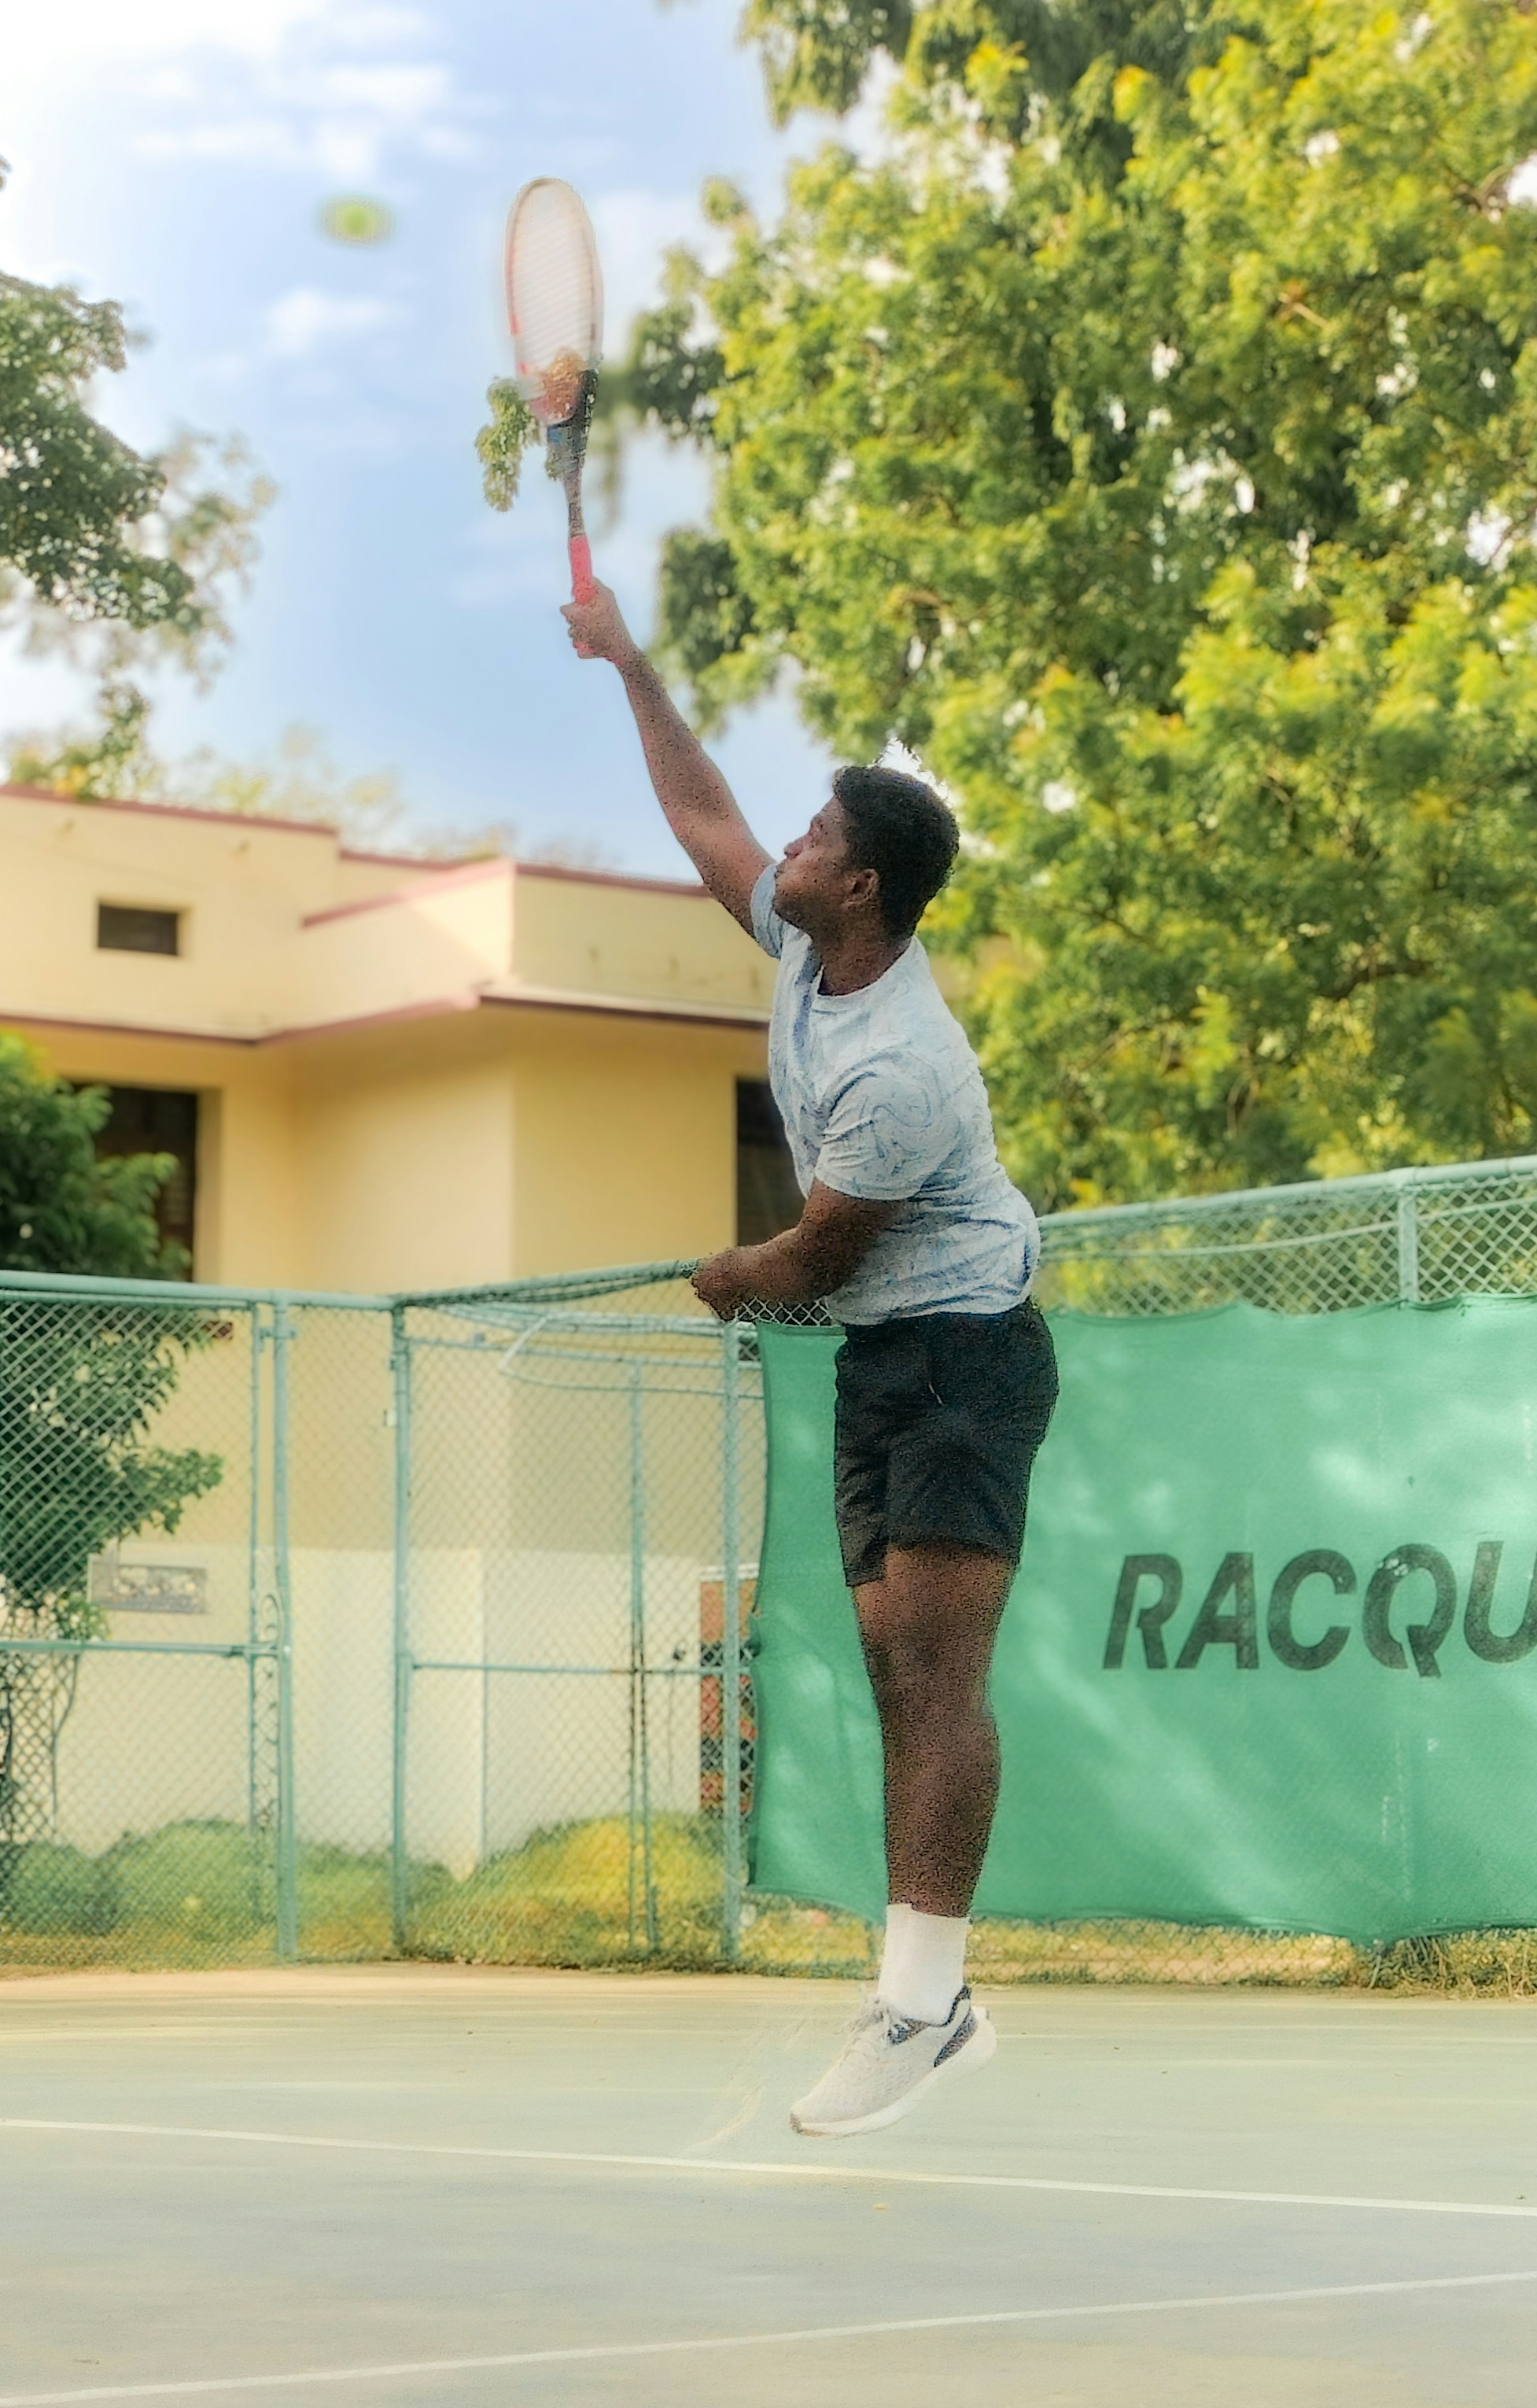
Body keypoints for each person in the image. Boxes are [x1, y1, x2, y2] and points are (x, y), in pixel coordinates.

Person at [563, 580, 1057, 2140]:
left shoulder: (902, 1065)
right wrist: (630, 663)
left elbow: (811, 1259)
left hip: (966, 1351)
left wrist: (724, 1275)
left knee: (933, 1672)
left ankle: (919, 2001)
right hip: (876, 1359)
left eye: (809, 838)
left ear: (858, 888)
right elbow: (704, 813)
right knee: (892, 1673)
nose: (779, 847)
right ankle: (932, 1997)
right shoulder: (804, 950)